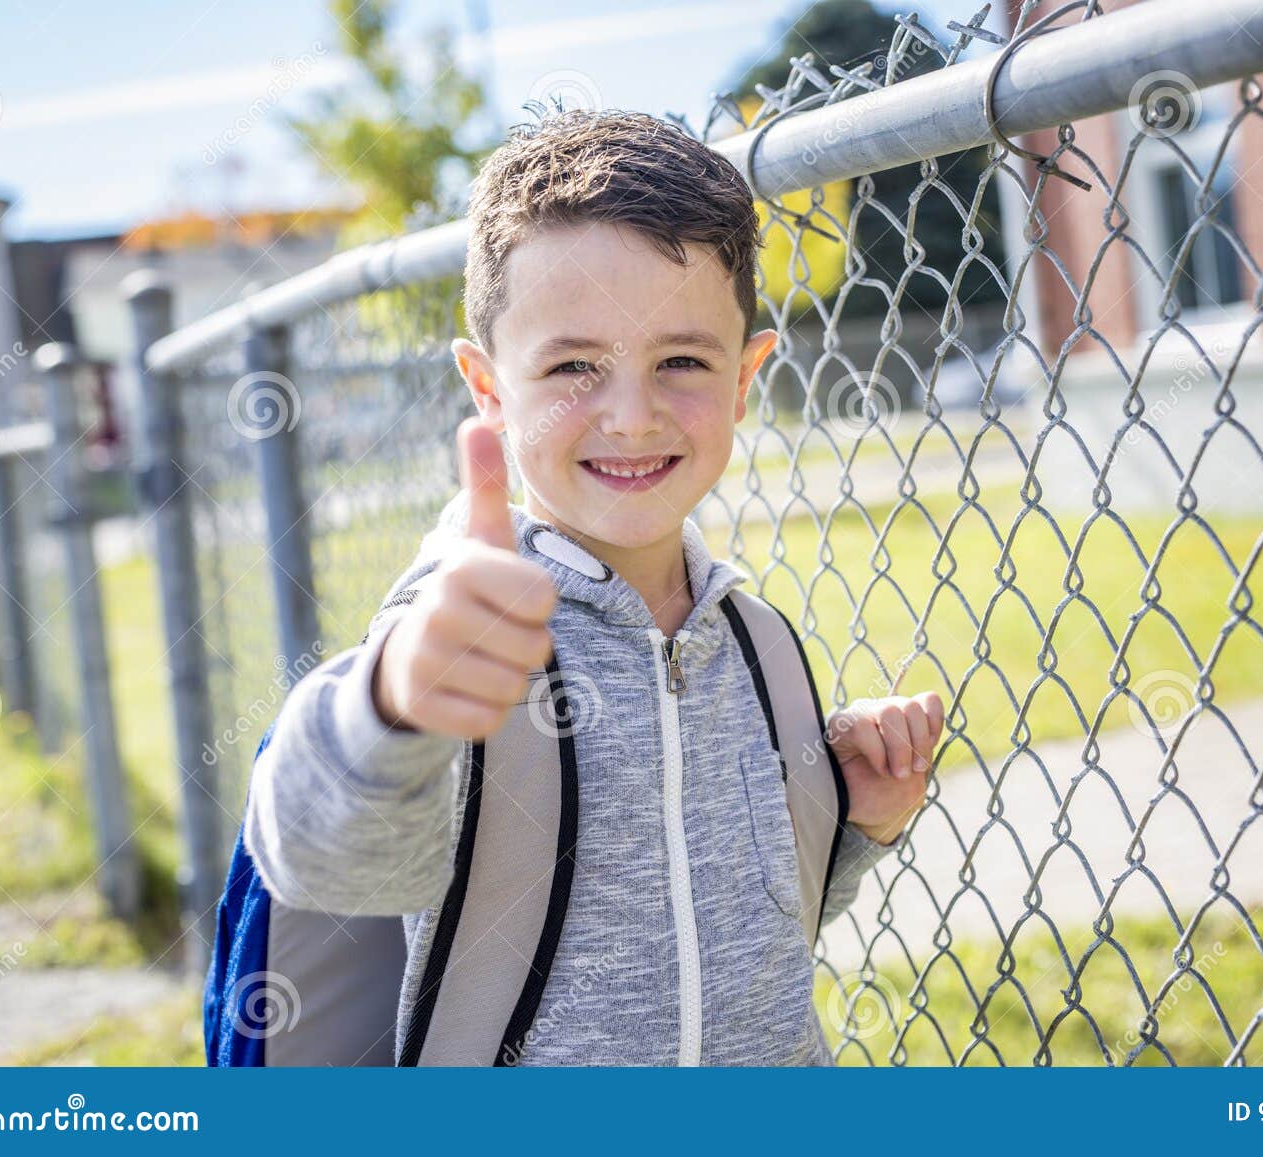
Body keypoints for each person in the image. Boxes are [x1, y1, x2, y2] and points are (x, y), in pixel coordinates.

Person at [244, 107, 945, 1065]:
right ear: (489, 390)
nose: (631, 414)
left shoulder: (756, 641)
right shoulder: (467, 631)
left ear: (746, 379)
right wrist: (389, 702)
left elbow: (734, 944)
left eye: (681, 361)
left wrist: (857, 824)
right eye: (575, 365)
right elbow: (327, 856)